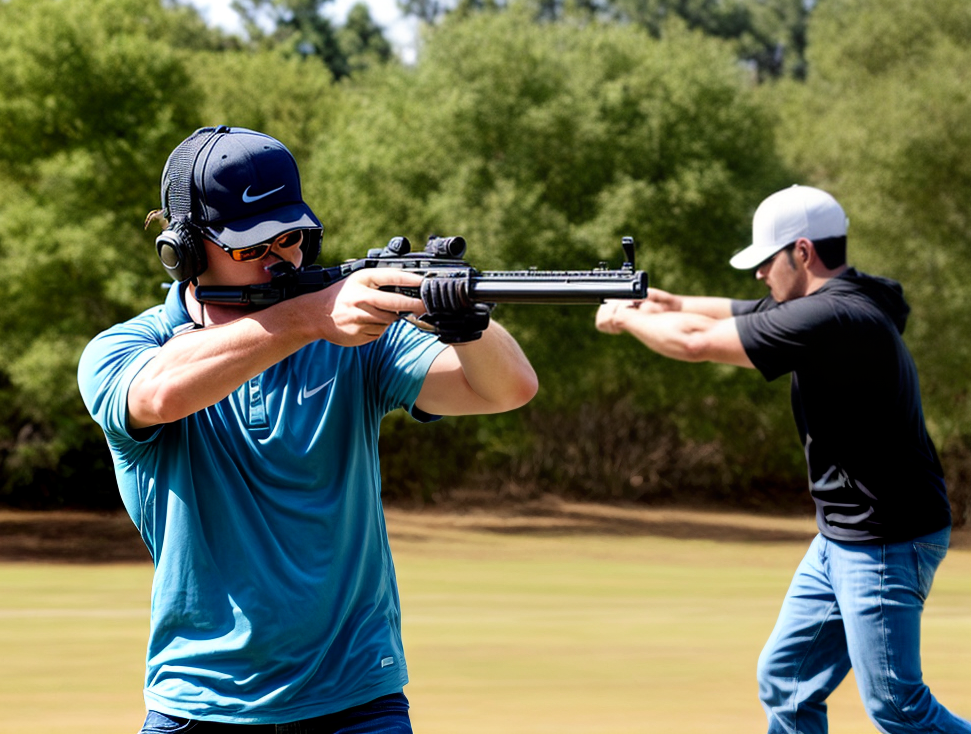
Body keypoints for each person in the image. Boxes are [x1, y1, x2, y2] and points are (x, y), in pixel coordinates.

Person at [78, 125, 538, 733]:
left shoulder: (353, 336)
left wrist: (460, 318)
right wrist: (313, 317)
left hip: (357, 699)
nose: (281, 258)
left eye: (293, 237)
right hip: (201, 702)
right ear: (185, 253)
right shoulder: (127, 348)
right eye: (252, 246)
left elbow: (505, 389)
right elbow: (158, 394)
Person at [595, 185, 970, 734]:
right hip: (843, 535)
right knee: (786, 680)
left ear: (801, 252)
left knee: (898, 707)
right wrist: (667, 303)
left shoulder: (831, 319)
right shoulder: (860, 295)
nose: (758, 275)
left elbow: (698, 344)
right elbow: (734, 311)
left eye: (765, 261)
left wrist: (624, 320)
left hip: (888, 539)